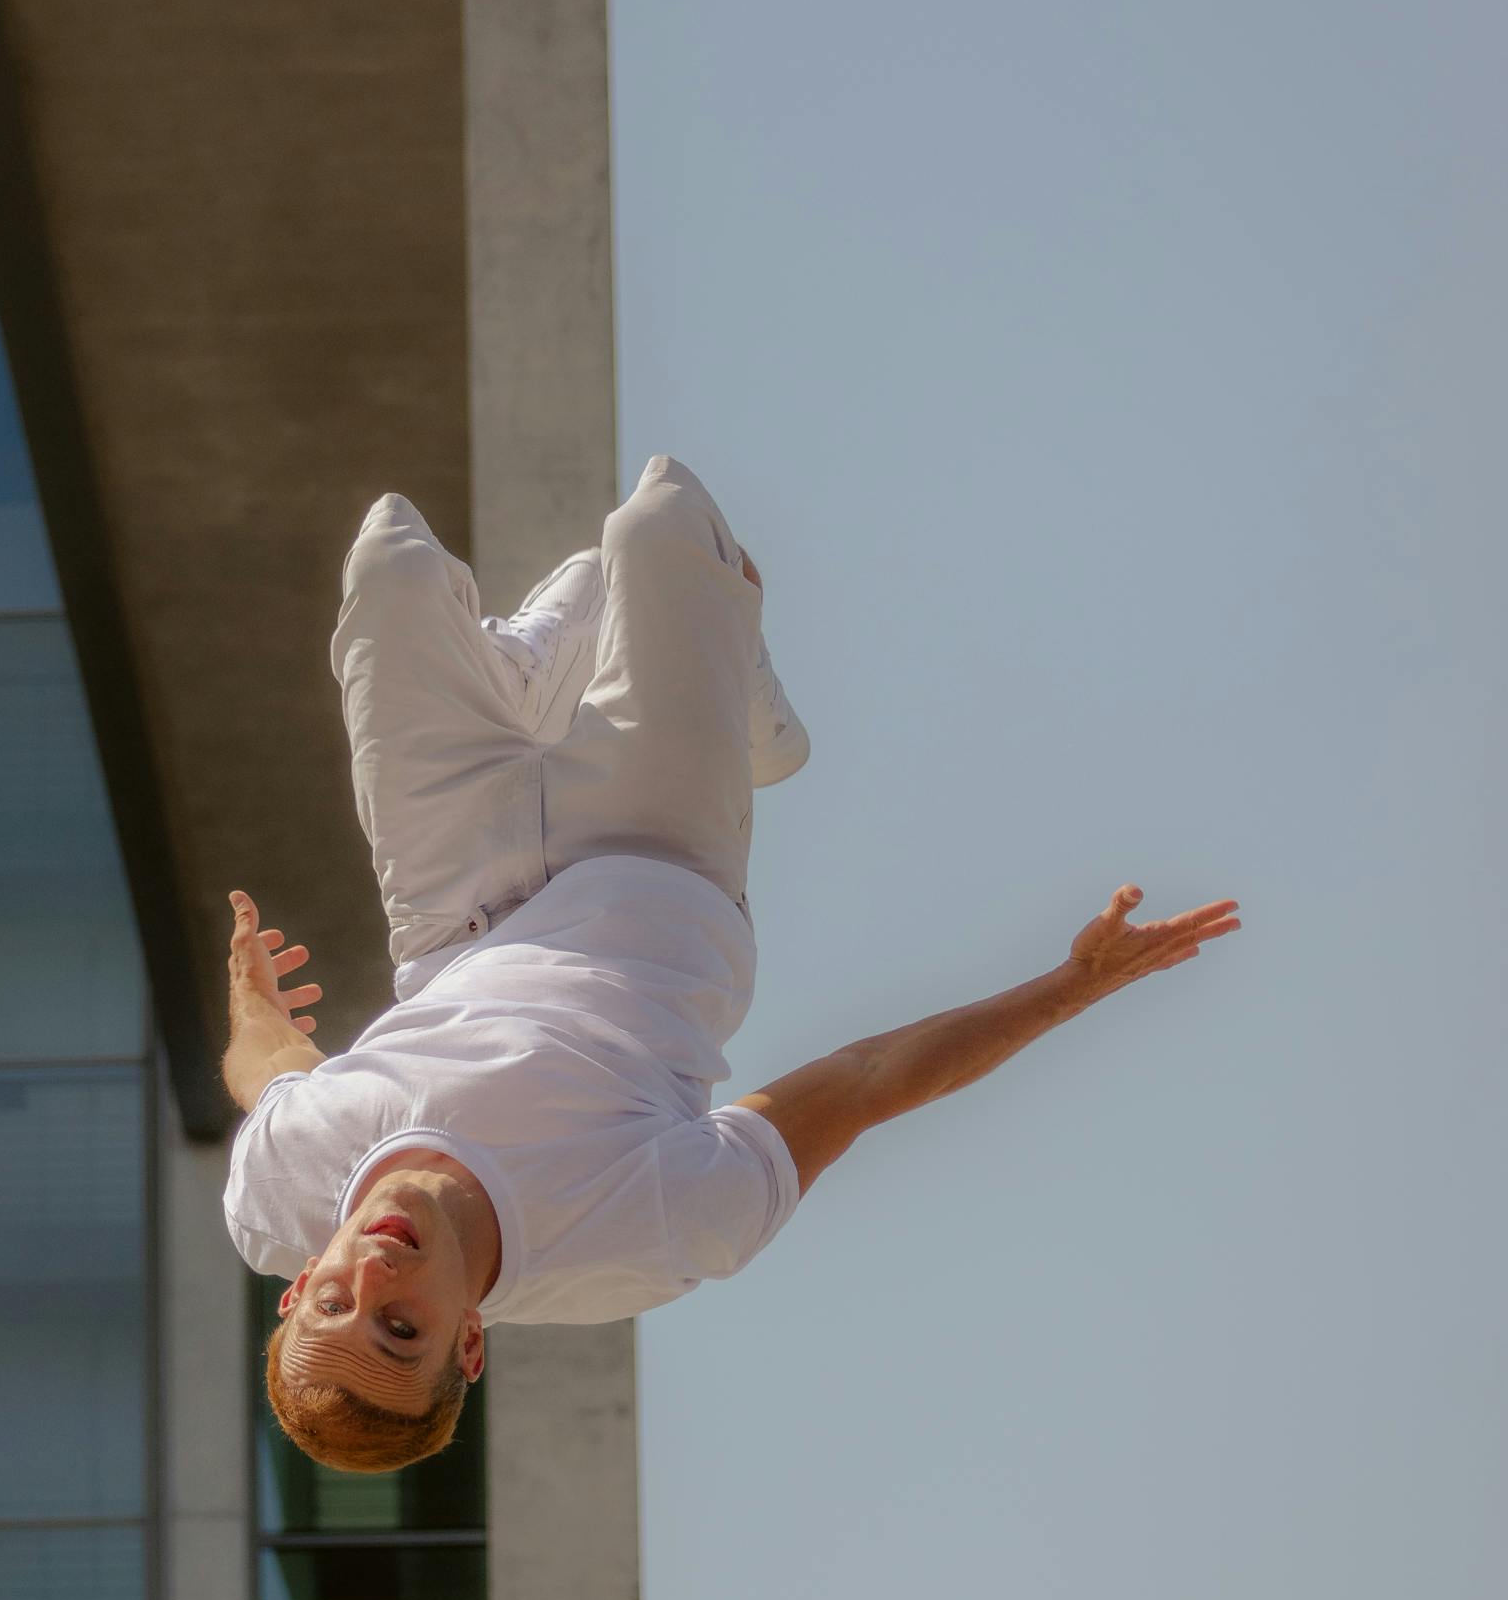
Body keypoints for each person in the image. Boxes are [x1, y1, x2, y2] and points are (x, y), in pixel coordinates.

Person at [221, 455, 1238, 1472]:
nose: (376, 1279)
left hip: (456, 895)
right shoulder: (647, 1235)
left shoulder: (277, 1194)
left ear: (299, 1284)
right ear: (470, 1343)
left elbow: (269, 1074)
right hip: (654, 857)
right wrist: (1071, 988)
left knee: (391, 561)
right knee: (661, 523)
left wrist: (248, 1001)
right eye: (401, 1330)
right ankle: (744, 713)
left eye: (335, 1304)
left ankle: (533, 670)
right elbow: (861, 1084)